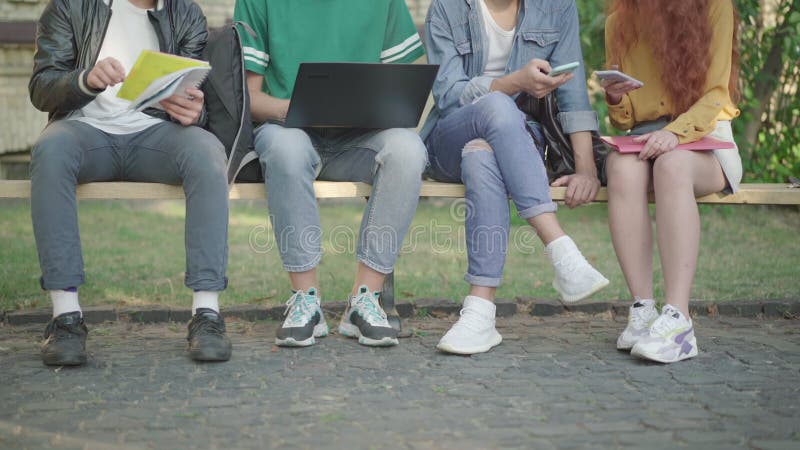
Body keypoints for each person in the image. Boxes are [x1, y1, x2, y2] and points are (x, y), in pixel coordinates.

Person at [29, 0, 232, 365]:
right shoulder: (69, 6)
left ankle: (207, 314)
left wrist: (194, 111)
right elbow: (42, 87)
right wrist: (85, 79)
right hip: (84, 131)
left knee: (207, 152)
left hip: (156, 135)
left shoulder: (185, 13)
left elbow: (201, 94)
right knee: (51, 149)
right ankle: (66, 318)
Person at [234, 0, 428, 347]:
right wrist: (296, 110)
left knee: (408, 150)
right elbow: (250, 98)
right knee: (285, 150)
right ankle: (306, 301)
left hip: (360, 137)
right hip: (288, 129)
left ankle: (365, 299)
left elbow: (402, 84)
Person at [421, 0, 609, 355]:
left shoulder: (555, 8)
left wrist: (585, 169)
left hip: (519, 141)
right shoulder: (446, 8)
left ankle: (480, 311)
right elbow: (447, 96)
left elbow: (572, 91)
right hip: (449, 136)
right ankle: (560, 248)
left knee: (482, 156)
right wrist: (511, 84)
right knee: (497, 105)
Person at [602, 0, 742, 363]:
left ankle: (679, 321)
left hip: (706, 140)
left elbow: (717, 96)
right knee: (619, 166)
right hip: (646, 140)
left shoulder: (715, 6)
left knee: (673, 166)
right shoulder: (620, 18)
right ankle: (644, 310)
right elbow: (624, 119)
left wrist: (676, 134)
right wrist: (616, 98)